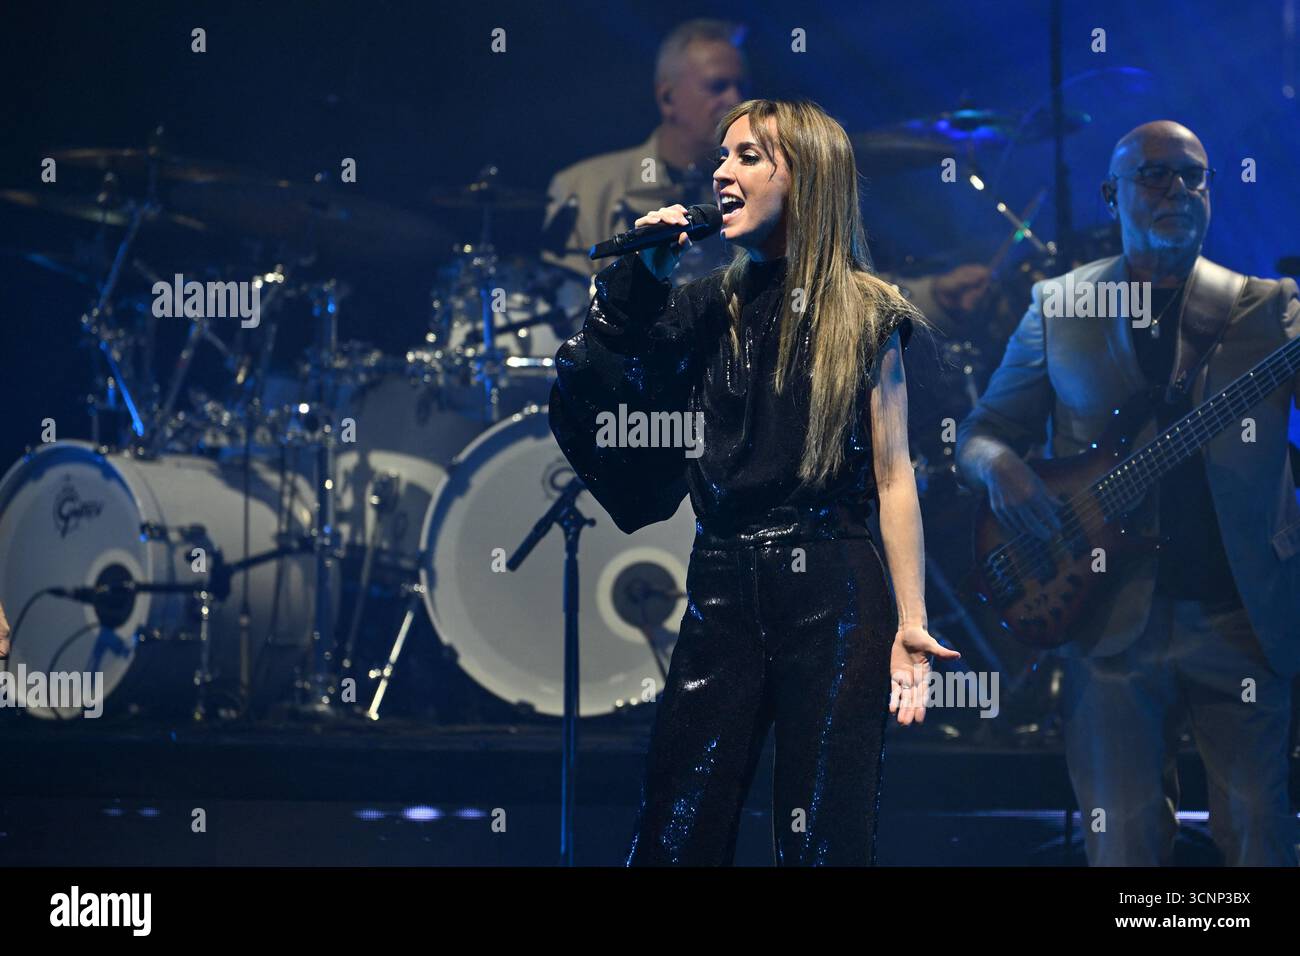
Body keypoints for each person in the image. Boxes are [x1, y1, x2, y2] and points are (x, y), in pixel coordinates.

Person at [550, 98, 958, 866]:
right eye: (722, 156)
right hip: (724, 582)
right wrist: (640, 280)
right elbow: (604, 383)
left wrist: (910, 622)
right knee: (679, 820)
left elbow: (894, 476)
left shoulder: (869, 314)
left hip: (833, 585)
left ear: (806, 178)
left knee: (823, 832)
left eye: (747, 157)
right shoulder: (705, 307)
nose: (721, 173)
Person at [956, 120, 1300, 866]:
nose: (1178, 188)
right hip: (1106, 618)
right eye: (1155, 174)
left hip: (1240, 612)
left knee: (1262, 836)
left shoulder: (1271, 309)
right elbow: (979, 433)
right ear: (1112, 194)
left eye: (1193, 174)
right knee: (1123, 844)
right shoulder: (1057, 306)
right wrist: (1002, 468)